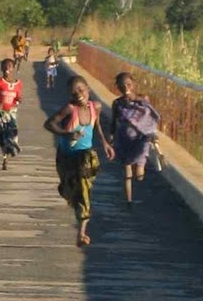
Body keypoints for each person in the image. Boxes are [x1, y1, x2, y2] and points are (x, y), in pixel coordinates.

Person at [45, 74, 114, 247]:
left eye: (81, 90)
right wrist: (67, 134)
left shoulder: (95, 106)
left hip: (85, 154)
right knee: (70, 193)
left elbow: (96, 123)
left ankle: (82, 232)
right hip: (66, 157)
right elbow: (49, 124)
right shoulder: (69, 109)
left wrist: (105, 142)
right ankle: (70, 196)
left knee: (84, 190)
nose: (78, 95)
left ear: (88, 90)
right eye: (74, 93)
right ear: (70, 96)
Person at [108, 71, 162, 207]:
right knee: (127, 172)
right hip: (123, 140)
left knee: (139, 175)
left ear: (133, 84)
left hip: (141, 139)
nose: (125, 88)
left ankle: (140, 173)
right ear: (118, 88)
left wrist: (152, 135)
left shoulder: (143, 99)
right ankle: (129, 201)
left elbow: (149, 116)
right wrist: (111, 137)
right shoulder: (117, 103)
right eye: (122, 86)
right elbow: (113, 121)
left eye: (128, 84)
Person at [0, 57, 23, 169]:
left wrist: (19, 100)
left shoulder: (18, 84)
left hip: (12, 112)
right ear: (2, 68)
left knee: (12, 134)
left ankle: (2, 152)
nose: (7, 68)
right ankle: (3, 158)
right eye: (5, 66)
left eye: (10, 66)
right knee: (1, 134)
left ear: (13, 69)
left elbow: (18, 97)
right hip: (0, 112)